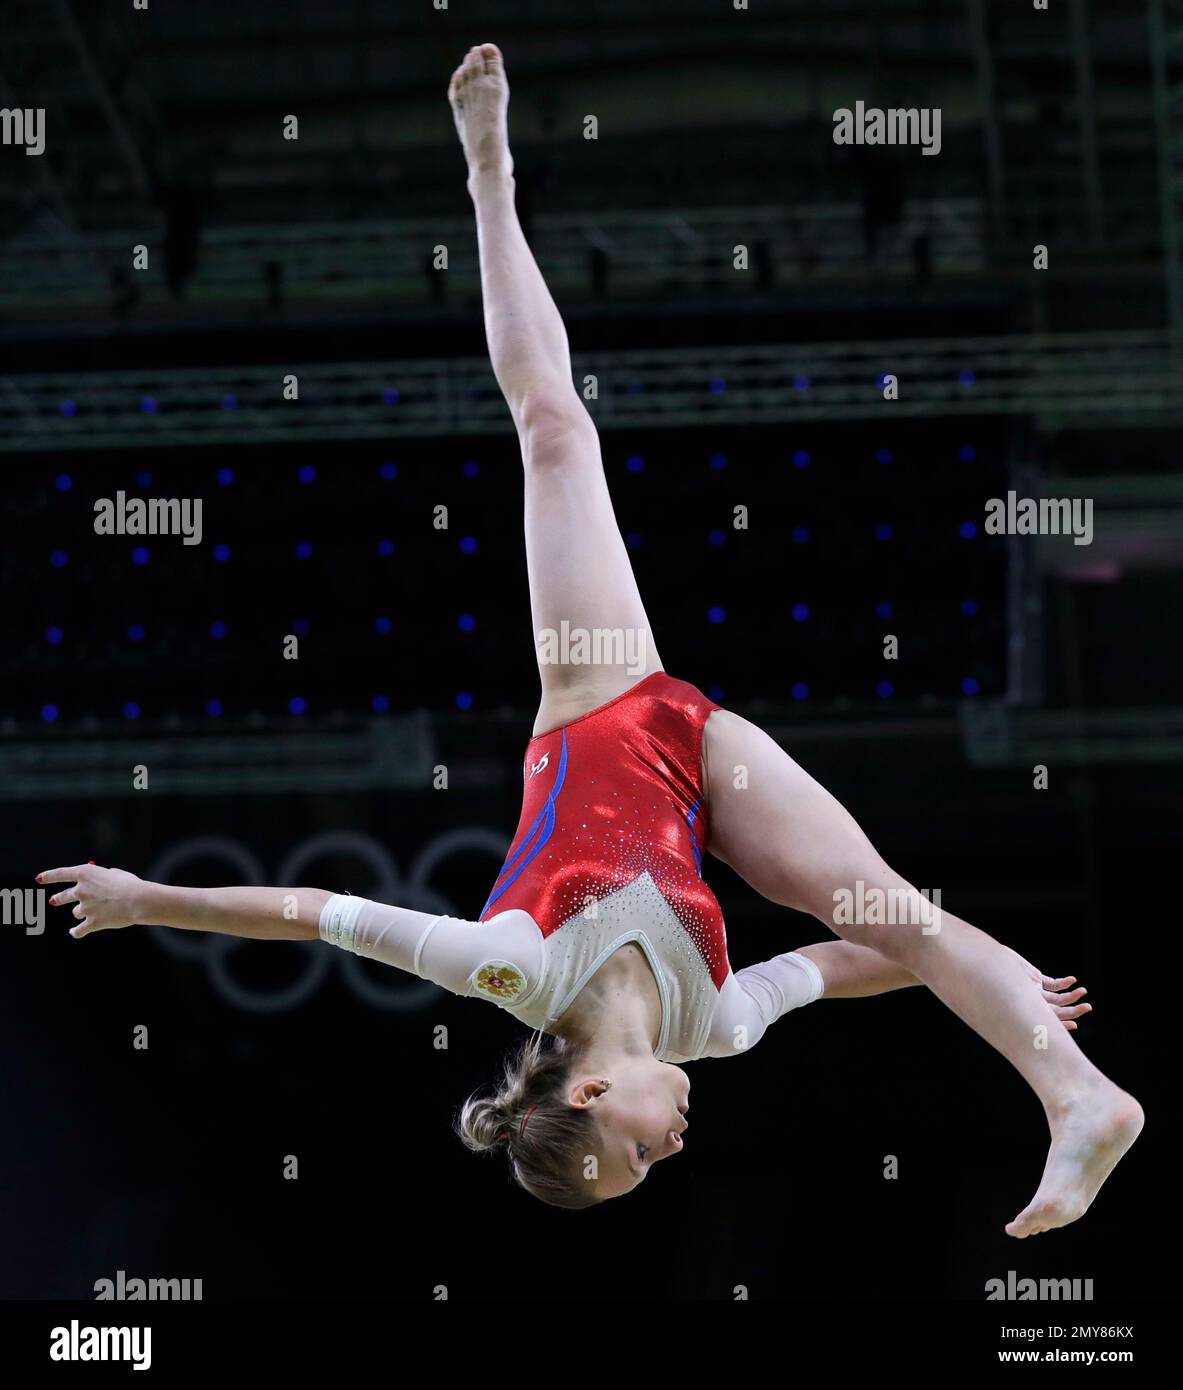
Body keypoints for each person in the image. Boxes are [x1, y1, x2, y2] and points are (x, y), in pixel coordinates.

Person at [37, 43, 1142, 1230]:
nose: (670, 1150)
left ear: (591, 1087)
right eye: (654, 1169)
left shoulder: (515, 969)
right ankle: (1077, 1095)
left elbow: (315, 913)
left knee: (557, 431)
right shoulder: (709, 1026)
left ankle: (487, 177)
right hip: (707, 754)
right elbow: (843, 964)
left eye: (631, 1154)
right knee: (886, 908)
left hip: (600, 695)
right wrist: (993, 973)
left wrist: (148, 895)